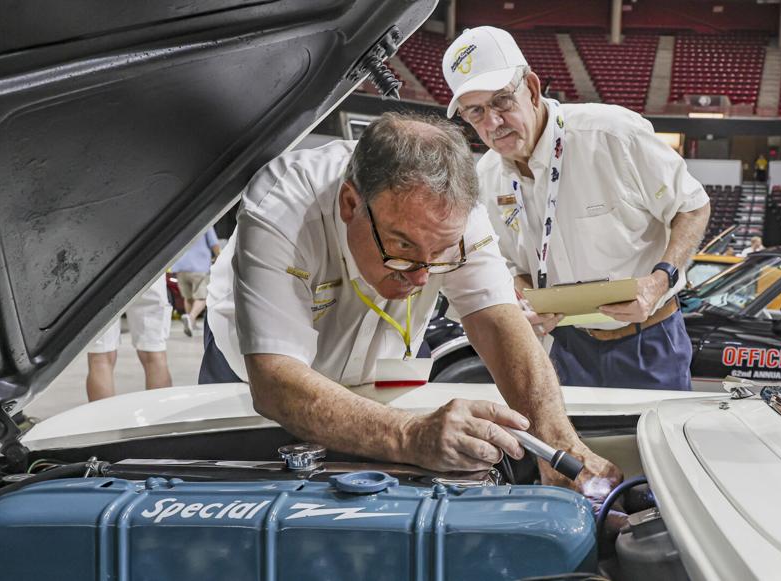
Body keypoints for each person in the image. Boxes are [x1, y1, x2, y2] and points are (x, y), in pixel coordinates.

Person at [202, 113, 620, 494]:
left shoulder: (449, 213)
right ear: (351, 204)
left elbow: (497, 320)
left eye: (439, 254)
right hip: (249, 375)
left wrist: (560, 446)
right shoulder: (282, 204)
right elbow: (275, 381)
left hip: (378, 372)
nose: (422, 277)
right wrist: (409, 436)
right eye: (403, 247)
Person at [443, 26, 711, 391]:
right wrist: (523, 291)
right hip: (565, 347)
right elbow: (506, 263)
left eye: (502, 101)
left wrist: (657, 281)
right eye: (475, 112)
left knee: (649, 447)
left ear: (533, 89)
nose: (492, 123)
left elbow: (693, 208)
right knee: (569, 449)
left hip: (648, 340)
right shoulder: (486, 176)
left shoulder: (612, 134)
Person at [86, 277, 173, 401]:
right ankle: (160, 418)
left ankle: (104, 419)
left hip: (100, 270)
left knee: (100, 359)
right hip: (149, 265)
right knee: (154, 354)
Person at [171, 227, 220, 337]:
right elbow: (214, 243)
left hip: (180, 265)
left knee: (188, 297)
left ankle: (190, 324)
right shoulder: (205, 222)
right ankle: (191, 317)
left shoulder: (179, 224)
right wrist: (218, 257)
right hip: (199, 265)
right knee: (202, 297)